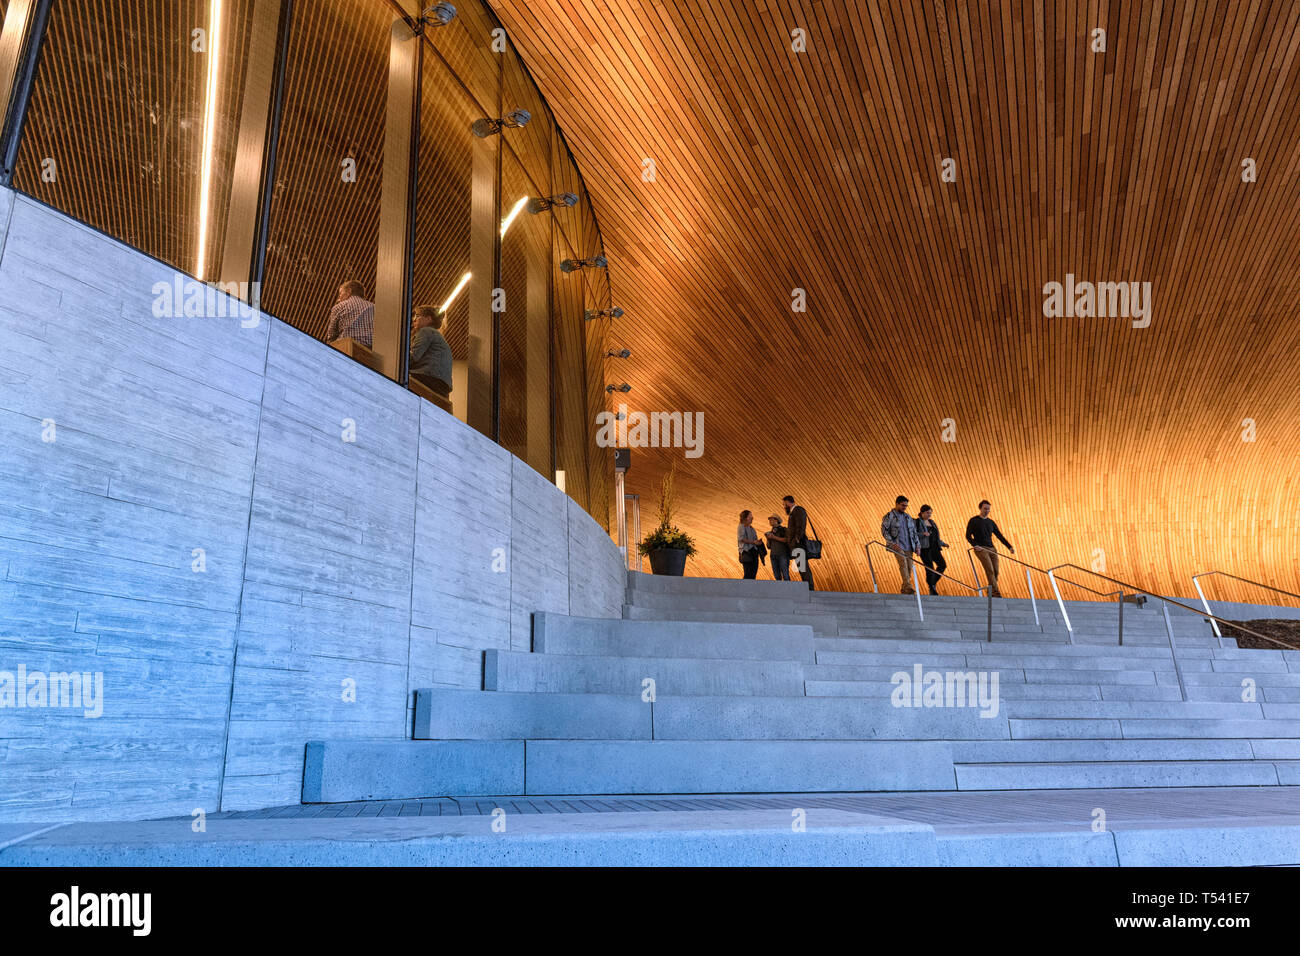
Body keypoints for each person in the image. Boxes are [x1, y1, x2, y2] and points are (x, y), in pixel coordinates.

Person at [965, 499, 1015, 597]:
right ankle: (996, 592)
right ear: (980, 508)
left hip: (992, 549)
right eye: (985, 509)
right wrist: (975, 545)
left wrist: (1009, 547)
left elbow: (999, 535)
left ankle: (990, 591)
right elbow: (968, 535)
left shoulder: (991, 522)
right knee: (990, 570)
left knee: (996, 571)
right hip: (981, 549)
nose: (987, 511)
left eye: (988, 509)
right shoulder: (974, 520)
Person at [881, 495, 922, 594]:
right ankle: (908, 587)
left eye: (906, 506)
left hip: (909, 546)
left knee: (909, 566)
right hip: (897, 545)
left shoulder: (908, 517)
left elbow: (914, 532)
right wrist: (891, 542)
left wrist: (917, 546)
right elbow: (884, 530)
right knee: (902, 562)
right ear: (897, 504)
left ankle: (904, 588)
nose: (904, 507)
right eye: (903, 505)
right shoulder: (889, 516)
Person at [409, 304, 453, 394]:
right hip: (443, 384)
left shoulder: (426, 331)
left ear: (428, 319)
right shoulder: (439, 336)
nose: (414, 319)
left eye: (418, 316)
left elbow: (413, 356)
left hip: (428, 377)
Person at [324, 280, 374, 347]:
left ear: (349, 291)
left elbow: (331, 337)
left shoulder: (339, 307)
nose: (339, 299)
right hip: (371, 352)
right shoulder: (374, 308)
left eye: (340, 294)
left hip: (347, 349)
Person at [782, 495, 815, 591]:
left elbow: (801, 525)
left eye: (784, 504)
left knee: (803, 567)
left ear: (788, 502)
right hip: (795, 545)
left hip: (798, 544)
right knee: (801, 567)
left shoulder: (798, 510)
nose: (784, 506)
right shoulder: (793, 512)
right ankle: (808, 588)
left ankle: (810, 589)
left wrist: (796, 539)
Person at [915, 505, 949, 596]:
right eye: (927, 513)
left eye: (930, 513)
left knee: (942, 565)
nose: (929, 515)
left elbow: (936, 536)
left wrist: (943, 543)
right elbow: (913, 534)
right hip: (925, 548)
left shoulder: (932, 522)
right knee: (930, 568)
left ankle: (932, 583)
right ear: (922, 512)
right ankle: (932, 588)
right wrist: (922, 534)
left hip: (935, 547)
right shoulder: (917, 522)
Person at [765, 514, 791, 581]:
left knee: (785, 574)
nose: (770, 521)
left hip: (783, 554)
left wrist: (774, 537)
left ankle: (789, 590)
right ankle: (780, 591)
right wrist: (768, 538)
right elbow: (768, 546)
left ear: (776, 520)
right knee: (777, 576)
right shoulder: (770, 532)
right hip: (773, 555)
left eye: (771, 519)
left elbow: (786, 540)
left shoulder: (784, 529)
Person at [737, 510, 761, 579]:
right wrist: (753, 542)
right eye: (750, 515)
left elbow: (754, 539)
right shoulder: (741, 526)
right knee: (748, 573)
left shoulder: (751, 528)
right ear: (746, 517)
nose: (752, 517)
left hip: (753, 552)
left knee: (753, 573)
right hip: (746, 552)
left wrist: (758, 542)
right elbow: (741, 539)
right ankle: (745, 588)